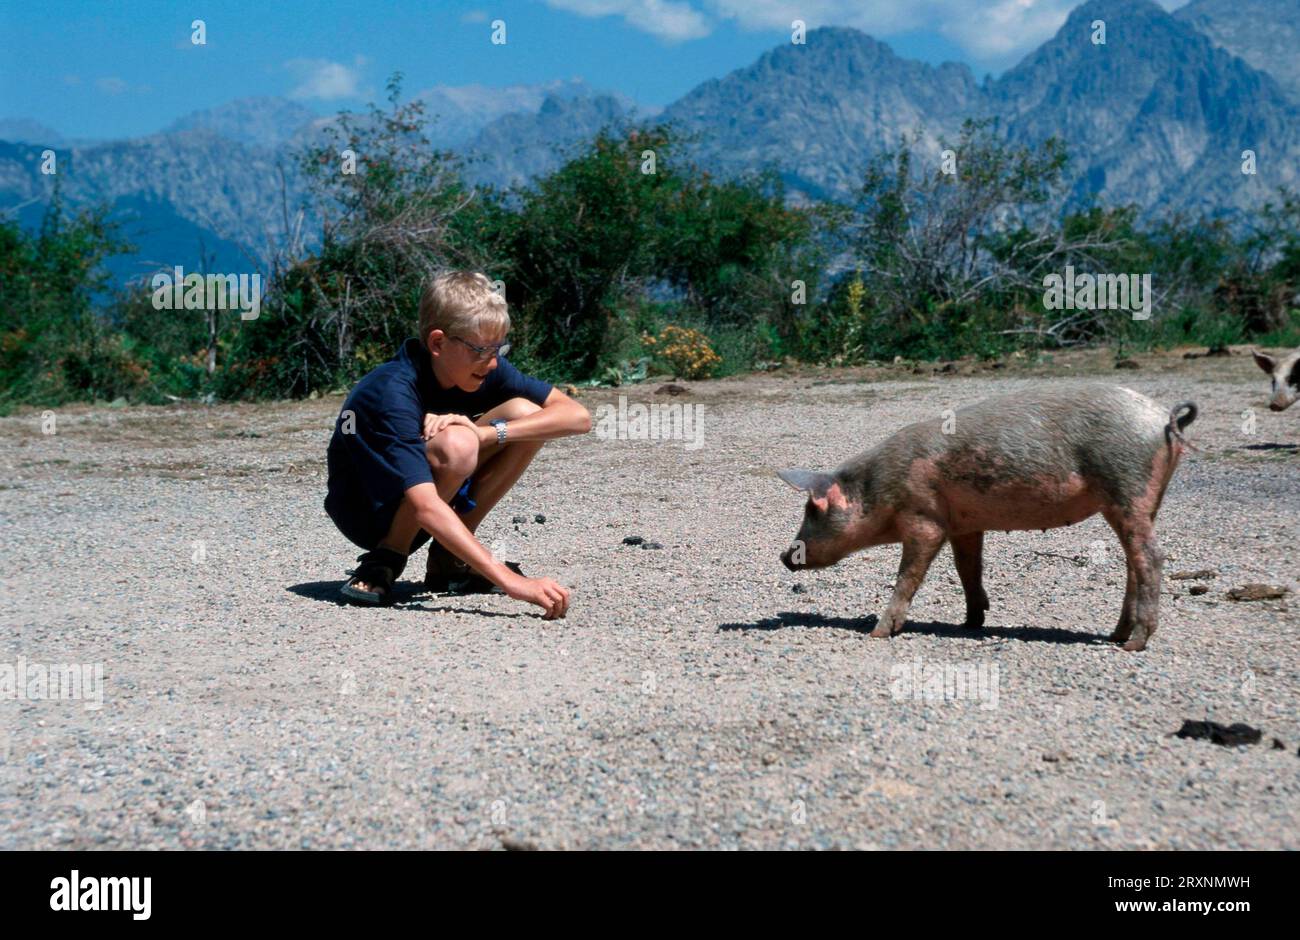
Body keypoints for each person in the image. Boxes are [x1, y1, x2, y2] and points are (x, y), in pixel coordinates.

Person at [324, 271, 590, 618]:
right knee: (458, 446)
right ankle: (387, 558)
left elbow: (578, 417)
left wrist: (487, 434)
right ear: (438, 343)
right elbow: (425, 507)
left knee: (524, 415)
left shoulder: (482, 366)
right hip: (369, 511)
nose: (494, 362)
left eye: (499, 348)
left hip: (429, 497)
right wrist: (513, 583)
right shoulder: (390, 391)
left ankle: (448, 561)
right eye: (482, 349)